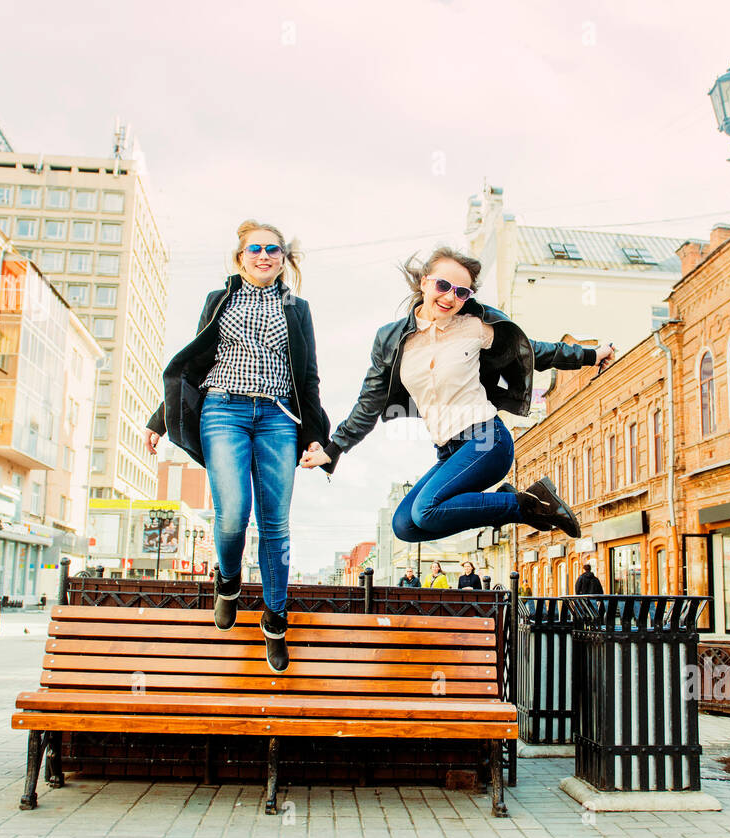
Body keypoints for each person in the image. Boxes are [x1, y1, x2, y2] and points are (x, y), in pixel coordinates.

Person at [300, 247, 614, 546]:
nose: (451, 297)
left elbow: (533, 352)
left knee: (426, 510)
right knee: (405, 525)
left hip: (487, 440)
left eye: (461, 292)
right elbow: (369, 402)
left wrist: (591, 354)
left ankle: (524, 504)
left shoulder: (474, 327)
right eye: (443, 285)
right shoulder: (391, 339)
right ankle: (509, 500)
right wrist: (332, 449)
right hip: (449, 451)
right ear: (425, 282)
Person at [145, 220, 330, 673]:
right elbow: (194, 363)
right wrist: (160, 418)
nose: (264, 255)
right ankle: (228, 582)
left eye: (273, 249)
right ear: (240, 257)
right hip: (222, 411)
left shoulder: (298, 308)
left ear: (284, 258)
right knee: (232, 515)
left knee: (275, 525)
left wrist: (317, 436)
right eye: (255, 249)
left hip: (278, 419)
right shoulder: (218, 300)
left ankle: (274, 620)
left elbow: (307, 376)